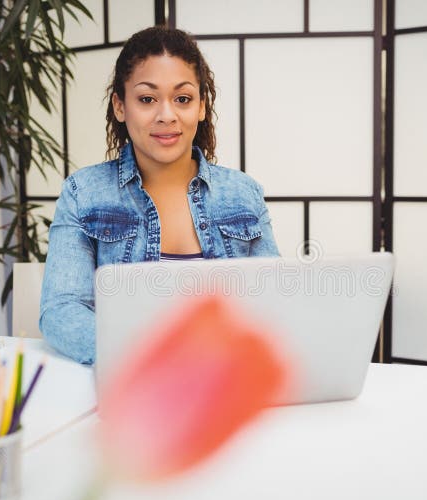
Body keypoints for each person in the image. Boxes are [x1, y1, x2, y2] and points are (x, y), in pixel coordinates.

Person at [39, 26, 280, 364]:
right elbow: (61, 309)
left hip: (223, 386)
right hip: (128, 390)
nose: (166, 115)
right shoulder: (83, 193)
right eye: (147, 99)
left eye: (182, 99)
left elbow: (275, 306)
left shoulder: (244, 195)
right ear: (120, 106)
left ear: (201, 107)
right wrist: (144, 360)